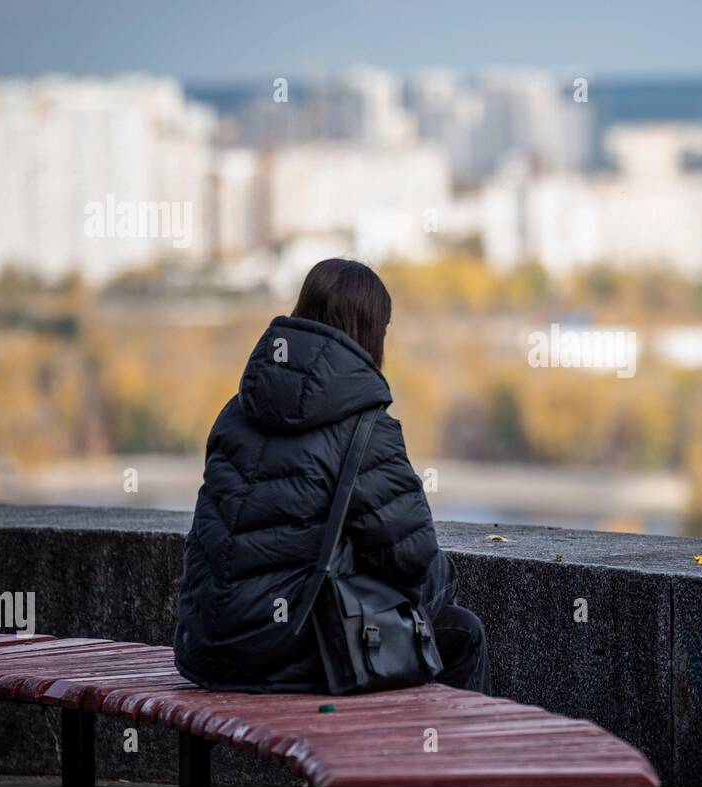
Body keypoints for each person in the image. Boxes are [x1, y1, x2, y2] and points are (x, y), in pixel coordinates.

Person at [173, 258, 490, 695]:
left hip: (203, 645)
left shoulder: (238, 409)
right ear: (371, 331)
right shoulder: (364, 423)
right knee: (457, 621)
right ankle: (430, 760)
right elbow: (412, 556)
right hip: (285, 650)